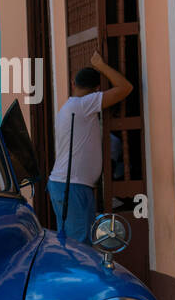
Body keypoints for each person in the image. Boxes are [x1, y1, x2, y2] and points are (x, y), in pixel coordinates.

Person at [47, 51, 132, 241]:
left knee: (70, 244)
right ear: (96, 89)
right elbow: (125, 88)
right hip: (73, 186)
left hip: (65, 184)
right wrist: (102, 66)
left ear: (73, 83)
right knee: (80, 247)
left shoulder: (69, 107)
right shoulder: (84, 105)